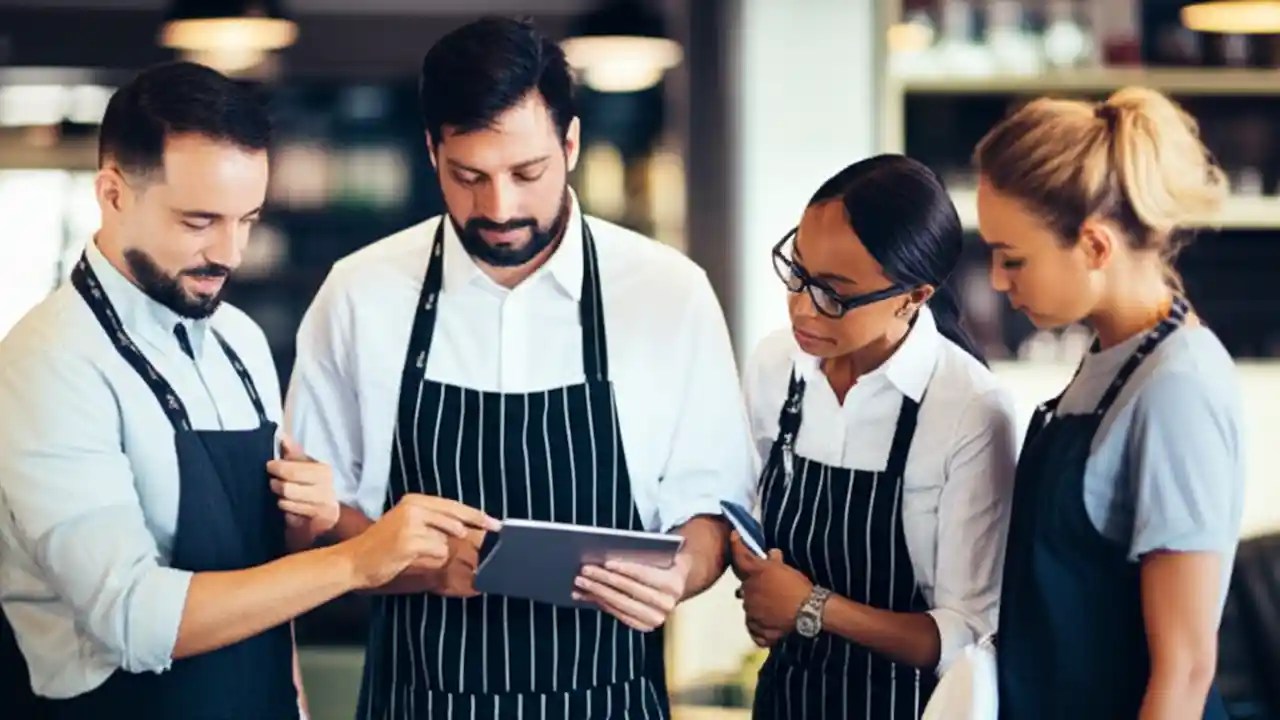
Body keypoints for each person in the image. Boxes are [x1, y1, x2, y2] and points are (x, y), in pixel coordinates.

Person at [283, 15, 755, 720]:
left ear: (569, 144)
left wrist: (682, 572)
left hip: (607, 702)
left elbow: (712, 512)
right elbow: (316, 515)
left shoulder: (667, 292)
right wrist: (416, 564)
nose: (498, 207)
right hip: (418, 702)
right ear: (431, 151)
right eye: (467, 176)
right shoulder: (360, 293)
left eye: (526, 173)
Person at [0, 61, 498, 720]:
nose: (230, 253)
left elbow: (257, 578)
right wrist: (355, 560)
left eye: (248, 219)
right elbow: (132, 621)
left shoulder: (237, 339)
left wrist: (304, 527)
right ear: (113, 193)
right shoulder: (49, 363)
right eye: (200, 221)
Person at [974, 86, 1244, 720]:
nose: (996, 280)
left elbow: (1184, 671)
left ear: (1095, 246)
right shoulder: (1111, 359)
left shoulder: (1179, 386)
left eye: (1013, 258)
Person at [730, 154, 1019, 720]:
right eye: (797, 273)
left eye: (833, 294)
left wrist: (811, 606)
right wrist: (753, 571)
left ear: (913, 296)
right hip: (786, 700)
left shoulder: (969, 411)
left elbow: (967, 637)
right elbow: (748, 513)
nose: (800, 308)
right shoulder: (776, 367)